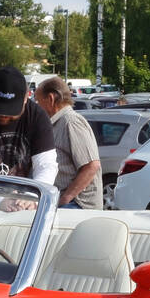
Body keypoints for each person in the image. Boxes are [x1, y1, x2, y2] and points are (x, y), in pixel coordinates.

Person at [33, 76, 101, 209]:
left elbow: (91, 166)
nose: (36, 105)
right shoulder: (56, 123)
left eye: (38, 100)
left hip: (76, 205)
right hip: (61, 202)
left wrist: (66, 198)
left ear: (51, 99)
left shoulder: (71, 122)